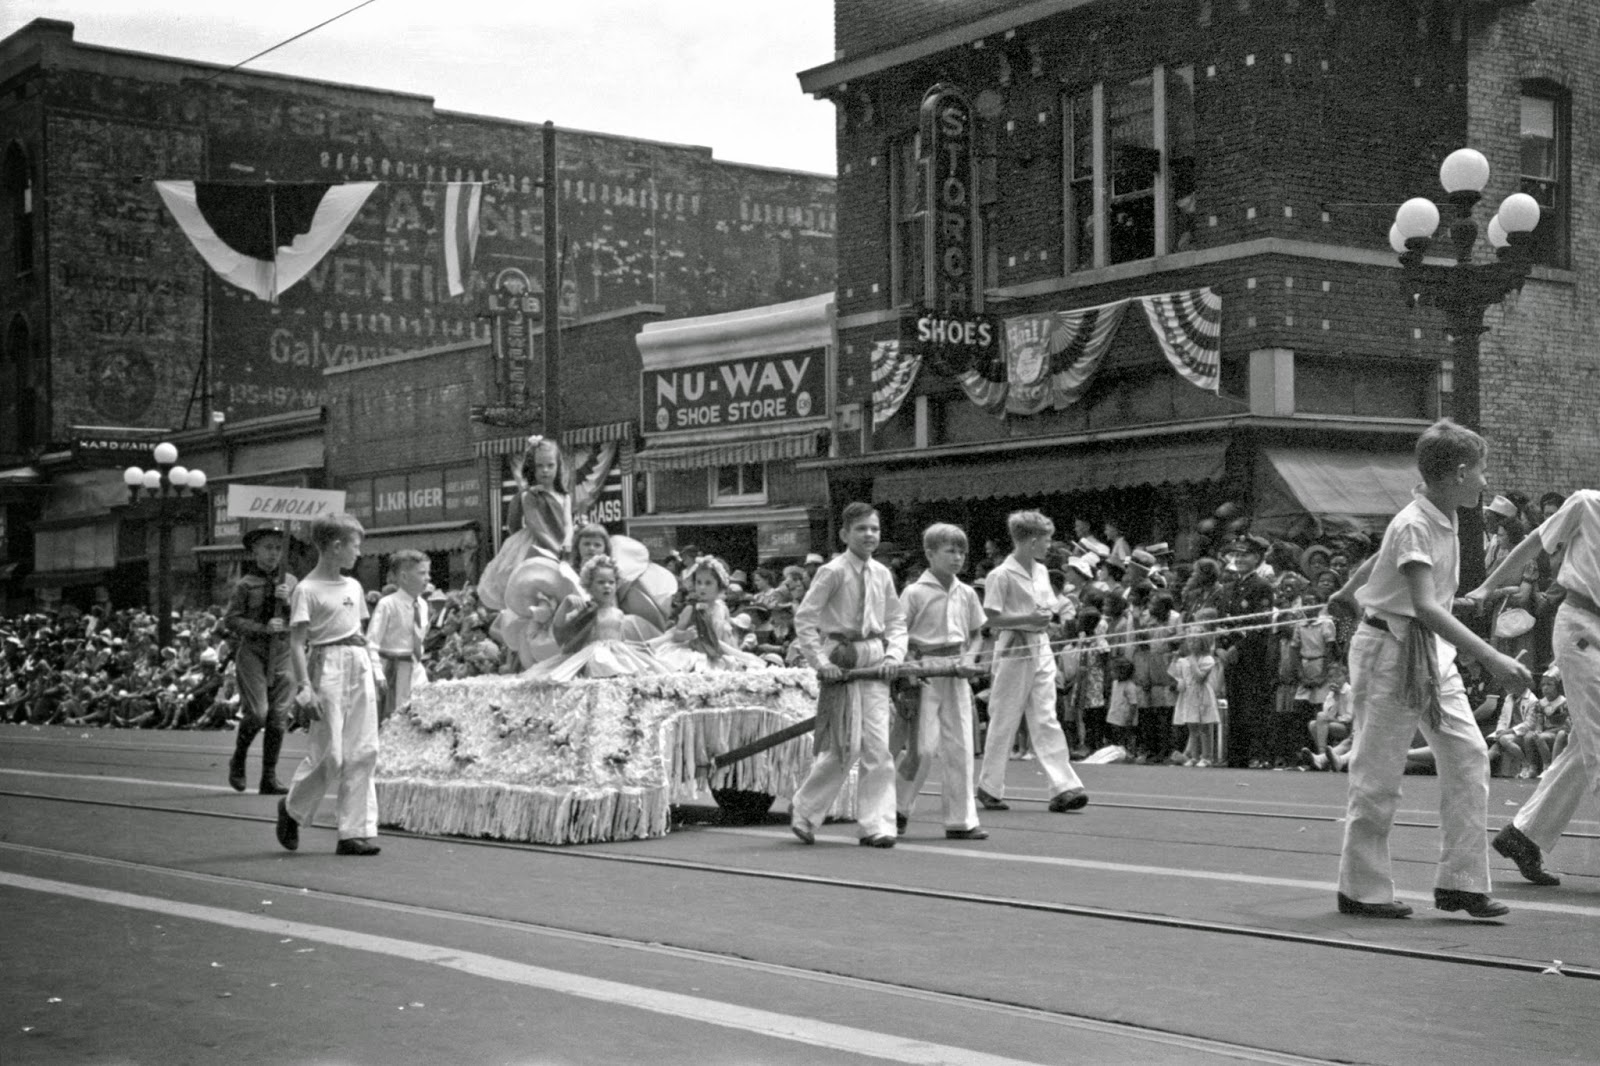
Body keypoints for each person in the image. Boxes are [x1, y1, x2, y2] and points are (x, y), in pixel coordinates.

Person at [1334, 419, 1531, 919]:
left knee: (1468, 756)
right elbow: (1424, 605)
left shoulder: (1440, 514)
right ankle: (1362, 889)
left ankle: (1461, 883)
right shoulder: (1417, 521)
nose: (1486, 482)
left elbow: (1393, 567)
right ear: (1461, 472)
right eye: (1482, 471)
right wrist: (1492, 656)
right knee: (1378, 775)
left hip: (1426, 650)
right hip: (1391, 651)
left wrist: (1347, 592)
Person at [1469, 489, 1600, 888]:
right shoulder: (1588, 503)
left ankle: (1523, 835)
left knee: (1584, 746)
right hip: (1581, 627)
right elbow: (1531, 545)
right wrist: (1486, 587)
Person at [790, 502, 908, 848]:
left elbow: (896, 622)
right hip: (841, 658)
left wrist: (893, 655)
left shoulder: (883, 574)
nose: (869, 534)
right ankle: (805, 811)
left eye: (874, 528)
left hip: (874, 657)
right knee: (844, 744)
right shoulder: (832, 572)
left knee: (878, 747)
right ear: (844, 534)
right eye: (861, 529)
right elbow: (805, 619)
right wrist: (820, 661)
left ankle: (877, 825)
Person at [275, 513, 384, 858]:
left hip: (358, 664)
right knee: (330, 754)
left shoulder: (353, 587)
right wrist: (305, 686)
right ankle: (291, 808)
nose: (359, 553)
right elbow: (296, 643)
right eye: (355, 545)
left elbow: (363, 635)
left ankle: (354, 832)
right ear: (335, 547)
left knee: (364, 750)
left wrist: (376, 670)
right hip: (327, 665)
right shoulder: (306, 590)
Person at [976, 510, 1088, 814]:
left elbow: (1047, 609)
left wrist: (1044, 621)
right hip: (1014, 646)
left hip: (1040, 646)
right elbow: (991, 617)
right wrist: (1028, 618)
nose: (1049, 545)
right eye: (1047, 540)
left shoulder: (1040, 571)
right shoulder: (1000, 574)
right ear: (1032, 540)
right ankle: (989, 785)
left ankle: (1064, 786)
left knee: (1046, 716)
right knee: (1005, 717)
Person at [893, 523, 988, 840]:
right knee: (923, 747)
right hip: (924, 674)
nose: (958, 557)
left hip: (957, 672)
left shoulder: (968, 593)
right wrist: (908, 663)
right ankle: (897, 808)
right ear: (930, 553)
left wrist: (970, 659)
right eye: (950, 551)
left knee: (961, 747)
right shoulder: (914, 592)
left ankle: (961, 820)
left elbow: (976, 634)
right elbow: (897, 635)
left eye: (962, 551)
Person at [476, 436, 594, 612]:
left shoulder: (565, 496)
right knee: (537, 584)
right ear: (532, 468)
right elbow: (536, 527)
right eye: (540, 466)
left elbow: (568, 523)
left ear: (558, 466)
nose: (545, 471)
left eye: (550, 465)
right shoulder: (530, 496)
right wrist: (556, 550)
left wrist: (568, 540)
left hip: (562, 542)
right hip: (539, 546)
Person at [222, 525, 297, 794]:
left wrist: (288, 603)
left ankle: (269, 777)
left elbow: (303, 618)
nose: (273, 554)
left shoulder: (291, 582)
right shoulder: (245, 584)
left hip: (283, 652)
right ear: (255, 551)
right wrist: (262, 628)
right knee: (258, 712)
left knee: (278, 716)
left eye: (278, 548)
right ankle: (239, 758)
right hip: (254, 651)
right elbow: (230, 620)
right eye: (268, 548)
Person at [527, 555, 669, 682]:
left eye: (611, 582)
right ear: (589, 586)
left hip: (619, 656)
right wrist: (565, 604)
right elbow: (559, 629)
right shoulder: (586, 611)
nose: (607, 586)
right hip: (592, 657)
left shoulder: (618, 613)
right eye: (601, 582)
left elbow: (621, 639)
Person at [652, 556, 766, 671]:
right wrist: (685, 634)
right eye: (698, 582)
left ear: (719, 585)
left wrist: (732, 651)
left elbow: (727, 634)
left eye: (708, 583)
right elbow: (676, 633)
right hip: (696, 650)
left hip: (717, 650)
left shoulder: (721, 607)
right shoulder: (692, 608)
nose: (702, 587)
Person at [367, 550, 430, 723]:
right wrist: (378, 672)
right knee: (392, 719)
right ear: (404, 577)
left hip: (416, 668)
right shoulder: (387, 604)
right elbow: (371, 642)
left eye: (428, 573)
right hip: (392, 669)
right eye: (422, 573)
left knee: (419, 714)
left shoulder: (423, 605)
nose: (428, 578)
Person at [1170, 631, 1222, 766]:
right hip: (1189, 695)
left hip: (1202, 694)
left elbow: (1200, 678)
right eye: (1190, 641)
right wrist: (1178, 676)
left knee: (1205, 727)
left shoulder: (1207, 660)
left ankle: (1207, 757)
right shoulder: (1184, 660)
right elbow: (1177, 676)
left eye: (1195, 641)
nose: (1191, 644)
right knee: (1192, 727)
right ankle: (1194, 756)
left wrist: (1192, 662)